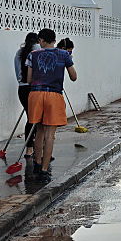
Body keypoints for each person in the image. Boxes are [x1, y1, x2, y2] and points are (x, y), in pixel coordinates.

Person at [26, 29, 77, 182]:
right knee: (50, 135)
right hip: (54, 95)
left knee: (39, 130)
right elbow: (74, 77)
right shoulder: (64, 55)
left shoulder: (32, 55)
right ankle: (43, 170)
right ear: (54, 40)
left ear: (41, 40)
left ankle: (37, 161)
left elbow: (28, 79)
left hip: (36, 93)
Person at [14, 32, 40, 157]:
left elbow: (18, 72)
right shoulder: (38, 50)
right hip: (35, 88)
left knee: (30, 118)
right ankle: (38, 147)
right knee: (39, 119)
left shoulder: (19, 53)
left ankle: (29, 149)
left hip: (22, 89)